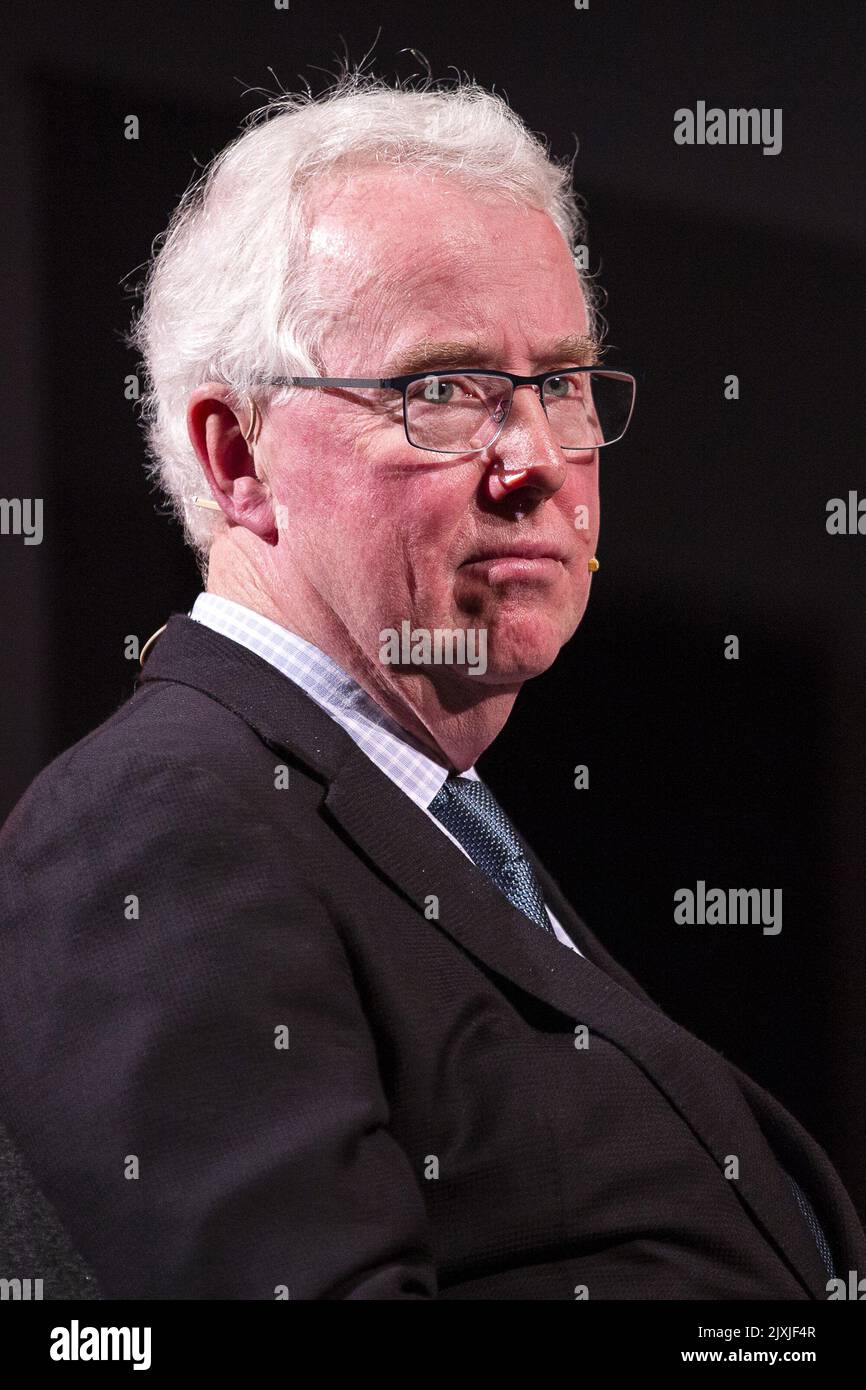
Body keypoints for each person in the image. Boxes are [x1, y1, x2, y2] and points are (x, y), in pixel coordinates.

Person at [1, 69, 863, 1300]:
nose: (534, 464)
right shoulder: (153, 826)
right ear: (236, 455)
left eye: (558, 383)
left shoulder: (421, 815)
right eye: (445, 390)